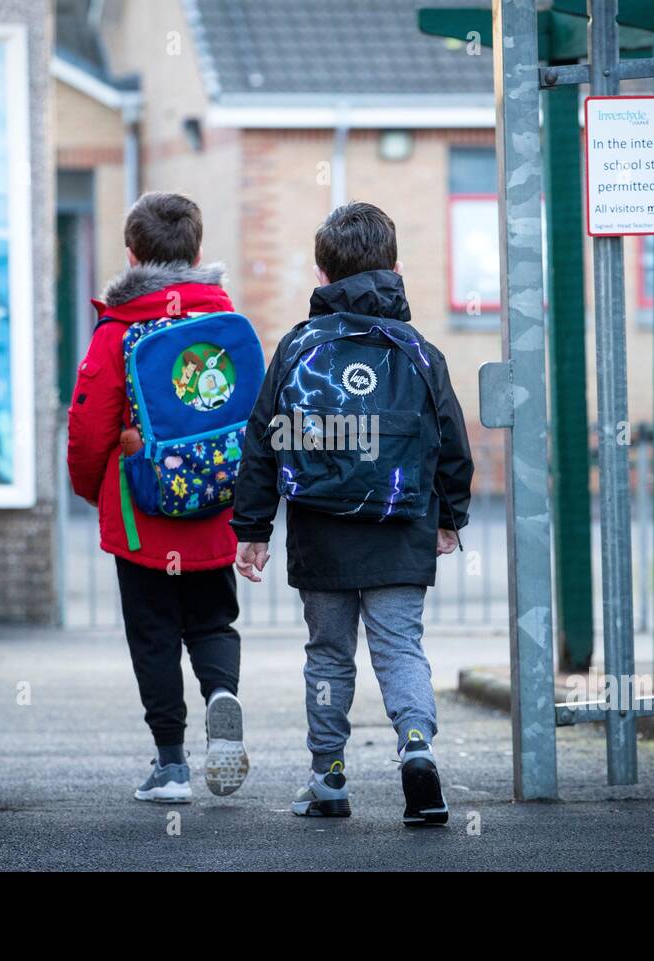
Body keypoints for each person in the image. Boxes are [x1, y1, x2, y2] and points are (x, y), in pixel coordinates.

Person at [231, 202, 474, 826]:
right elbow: (450, 439)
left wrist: (252, 530)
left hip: (322, 533)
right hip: (401, 529)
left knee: (329, 655)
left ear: (321, 276)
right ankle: (417, 748)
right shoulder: (418, 350)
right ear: (394, 267)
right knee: (399, 649)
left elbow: (262, 441)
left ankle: (329, 778)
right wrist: (450, 516)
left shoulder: (297, 346)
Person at [67, 192, 251, 803]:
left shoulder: (118, 330)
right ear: (198, 252)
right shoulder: (221, 321)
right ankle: (222, 697)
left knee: (153, 633)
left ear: (131, 255)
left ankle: (171, 767)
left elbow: (90, 422)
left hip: (142, 510)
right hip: (216, 502)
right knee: (213, 618)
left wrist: (91, 484)